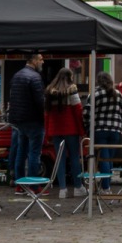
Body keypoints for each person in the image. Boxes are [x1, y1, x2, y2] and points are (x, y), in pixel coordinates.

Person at [44, 67, 84, 199]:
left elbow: (47, 114)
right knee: (74, 157)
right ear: (69, 76)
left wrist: (48, 132)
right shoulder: (72, 89)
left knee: (59, 159)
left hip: (56, 130)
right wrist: (81, 130)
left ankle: (62, 189)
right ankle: (78, 187)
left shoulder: (50, 90)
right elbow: (78, 110)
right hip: (71, 129)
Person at [7, 53, 46, 184]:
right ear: (33, 60)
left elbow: (12, 98)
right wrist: (44, 117)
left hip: (19, 120)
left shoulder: (17, 75)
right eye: (40, 59)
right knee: (34, 153)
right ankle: (33, 185)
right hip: (33, 120)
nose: (43, 62)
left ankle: (19, 184)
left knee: (21, 152)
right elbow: (40, 102)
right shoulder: (35, 77)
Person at [89, 71, 122, 191]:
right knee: (109, 158)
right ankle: (107, 184)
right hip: (115, 131)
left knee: (104, 158)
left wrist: (87, 127)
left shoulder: (94, 94)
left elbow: (86, 112)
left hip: (100, 130)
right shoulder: (118, 94)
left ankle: (106, 187)